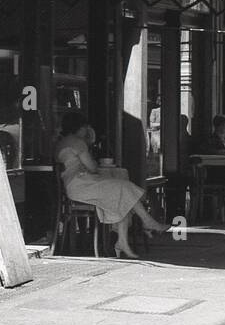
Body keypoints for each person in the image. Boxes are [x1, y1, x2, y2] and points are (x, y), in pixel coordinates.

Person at [54, 111, 166, 259]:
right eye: (85, 127)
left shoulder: (62, 142)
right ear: (79, 127)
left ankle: (123, 242)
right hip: (81, 186)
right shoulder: (78, 143)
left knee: (121, 195)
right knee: (123, 187)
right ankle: (147, 222)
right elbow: (92, 167)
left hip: (75, 186)